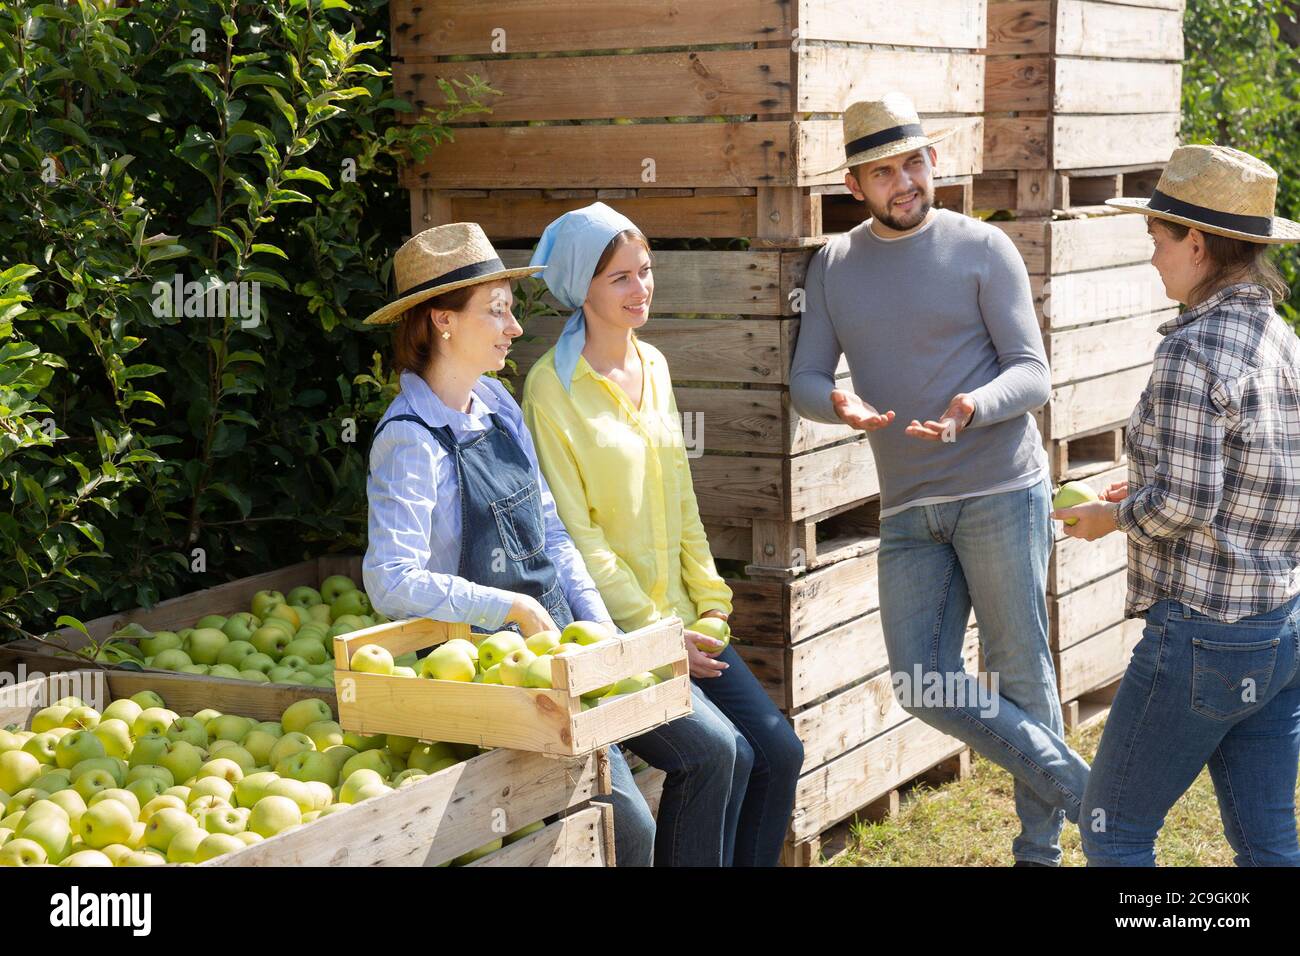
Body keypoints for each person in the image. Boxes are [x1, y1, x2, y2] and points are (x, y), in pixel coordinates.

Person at [789, 93, 1091, 867]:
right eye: (883, 172)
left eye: (913, 163)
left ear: (934, 161)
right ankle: (1094, 797)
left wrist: (972, 408)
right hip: (909, 508)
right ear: (854, 185)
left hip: (999, 489)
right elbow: (806, 377)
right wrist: (837, 403)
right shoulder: (835, 266)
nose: (904, 182)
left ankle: (1040, 851)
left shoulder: (983, 248)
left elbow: (1034, 375)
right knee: (923, 683)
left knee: (1022, 671)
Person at [358, 222, 659, 865]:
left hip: (556, 656)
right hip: (486, 681)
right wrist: (508, 608)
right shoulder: (408, 439)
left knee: (646, 813)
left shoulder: (496, 401)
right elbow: (389, 578)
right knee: (625, 832)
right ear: (442, 321)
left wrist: (601, 630)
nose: (515, 328)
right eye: (496, 311)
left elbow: (549, 528)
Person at [521, 203, 804, 866]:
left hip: (687, 623)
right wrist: (655, 637)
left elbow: (679, 496)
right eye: (620, 277)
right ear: (580, 289)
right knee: (723, 756)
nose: (640, 288)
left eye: (645, 271)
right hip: (621, 637)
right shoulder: (549, 392)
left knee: (778, 752)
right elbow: (579, 541)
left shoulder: (654, 365)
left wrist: (710, 602)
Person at [1053, 144, 1300, 866]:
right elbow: (1259, 472)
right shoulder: (1282, 340)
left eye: (1157, 241)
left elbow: (1188, 505)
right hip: (1280, 626)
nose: (1153, 258)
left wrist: (1112, 517)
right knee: (1269, 842)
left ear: (1196, 243)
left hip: (1203, 635)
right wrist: (1151, 480)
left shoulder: (1190, 351)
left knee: (1113, 829)